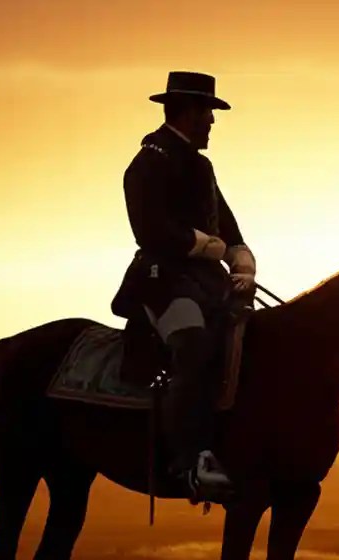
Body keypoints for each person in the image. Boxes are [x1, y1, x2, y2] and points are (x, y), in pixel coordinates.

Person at [110, 71, 255, 501]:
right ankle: (190, 461)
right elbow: (150, 230)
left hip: (206, 283)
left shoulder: (201, 165)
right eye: (207, 112)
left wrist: (240, 258)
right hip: (163, 283)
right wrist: (206, 246)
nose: (212, 121)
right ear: (187, 112)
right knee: (192, 345)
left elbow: (224, 223)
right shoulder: (148, 162)